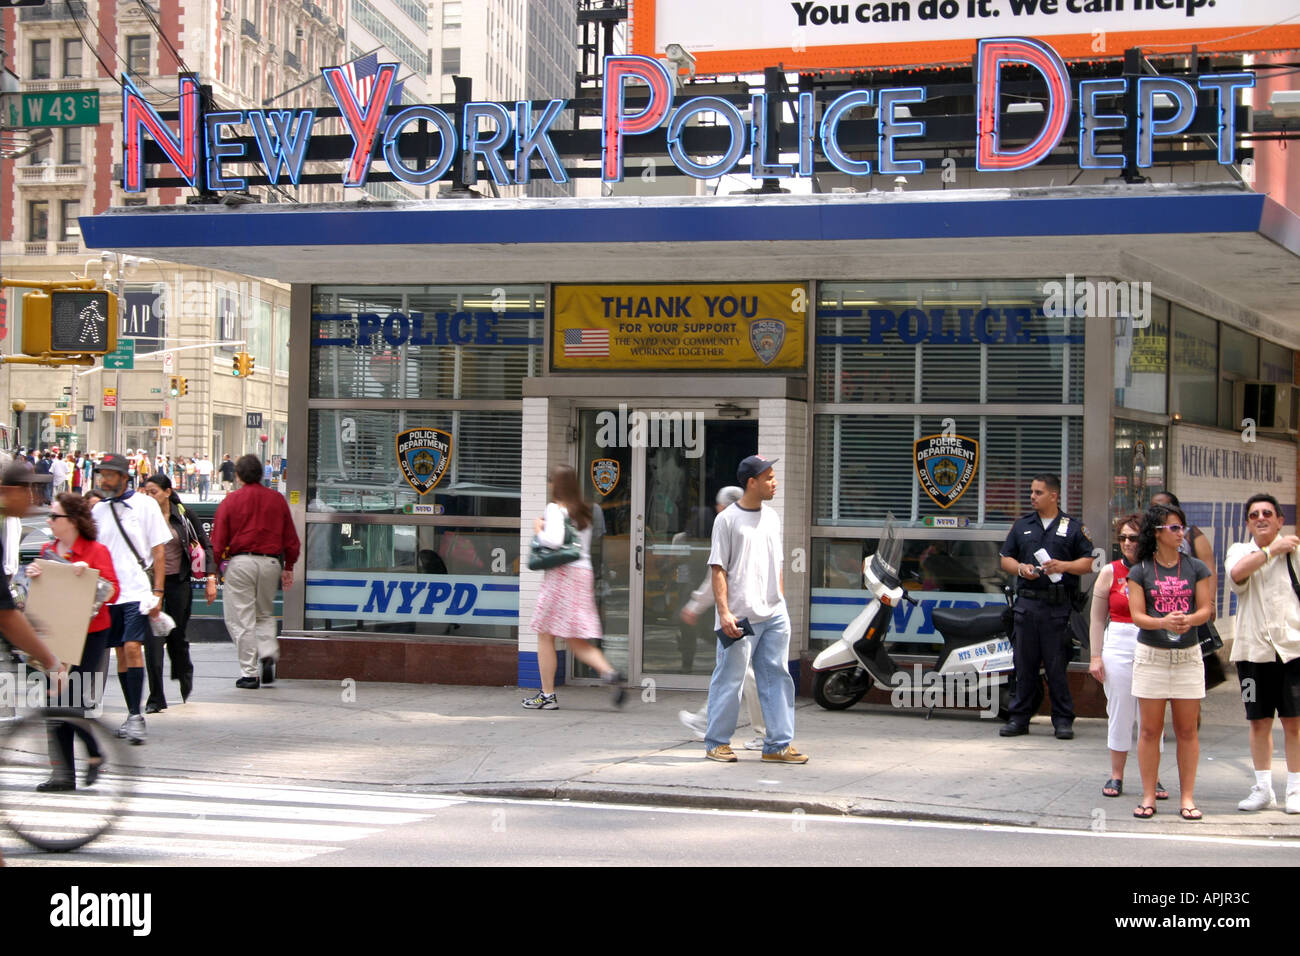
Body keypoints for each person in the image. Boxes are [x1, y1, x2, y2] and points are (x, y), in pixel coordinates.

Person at [703, 454, 806, 764]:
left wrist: (781, 603)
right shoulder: (727, 520)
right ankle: (717, 743)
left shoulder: (772, 518)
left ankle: (777, 745)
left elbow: (778, 565)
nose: (774, 483)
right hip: (740, 617)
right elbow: (717, 569)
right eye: (769, 477)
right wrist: (724, 613)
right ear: (752, 482)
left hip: (774, 614)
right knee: (730, 679)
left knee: (777, 677)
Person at [24, 493, 119, 791]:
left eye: (55, 516)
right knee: (55, 702)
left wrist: (89, 578)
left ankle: (93, 755)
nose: (50, 521)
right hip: (58, 634)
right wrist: (33, 575)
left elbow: (113, 591)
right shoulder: (48, 549)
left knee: (71, 700)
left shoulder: (95, 550)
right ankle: (64, 773)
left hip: (90, 634)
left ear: (73, 521)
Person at [1127, 503, 1213, 820]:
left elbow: (1205, 609)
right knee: (1150, 730)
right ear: (1157, 533)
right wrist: (1163, 622)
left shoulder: (1195, 567)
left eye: (1181, 527)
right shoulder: (1141, 570)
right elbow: (1137, 616)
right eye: (1174, 528)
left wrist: (1188, 619)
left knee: (1187, 730)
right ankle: (1149, 795)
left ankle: (1187, 798)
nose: (1181, 533)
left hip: (1188, 656)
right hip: (1151, 655)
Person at [998, 473, 1095, 739]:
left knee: (1056, 668)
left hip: (1057, 608)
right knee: (1024, 665)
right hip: (1027, 605)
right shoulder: (1022, 525)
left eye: (1038, 492)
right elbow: (1005, 558)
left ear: (1054, 495)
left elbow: (1089, 563)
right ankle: (1019, 718)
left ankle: (1062, 720)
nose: (1032, 496)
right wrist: (1020, 568)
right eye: (1031, 491)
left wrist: (1063, 566)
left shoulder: (1073, 527)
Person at [522, 464, 624, 710]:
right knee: (576, 638)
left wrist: (539, 530)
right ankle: (609, 673)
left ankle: (547, 695)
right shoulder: (586, 511)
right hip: (583, 573)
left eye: (549, 481)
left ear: (555, 484)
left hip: (562, 575)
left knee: (545, 634)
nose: (548, 486)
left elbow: (554, 541)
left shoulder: (556, 509)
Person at [1223, 493, 1300, 815]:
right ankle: (1263, 789)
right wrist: (1270, 551)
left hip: (1293, 650)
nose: (1261, 518)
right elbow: (1237, 575)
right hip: (1253, 652)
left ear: (1280, 520)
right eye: (1254, 515)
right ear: (1247, 523)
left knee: (1294, 722)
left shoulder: (1295, 553)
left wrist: (1282, 550)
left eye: (1267, 513)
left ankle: (1295, 789)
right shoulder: (1240, 551)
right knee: (1258, 722)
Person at [678, 486, 767, 749]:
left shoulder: (729, 527)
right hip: (755, 610)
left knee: (739, 672)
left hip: (739, 613)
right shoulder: (755, 523)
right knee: (738, 671)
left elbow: (716, 576)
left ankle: (758, 732)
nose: (716, 511)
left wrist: (694, 606)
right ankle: (711, 721)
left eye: (719, 506)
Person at [1088, 514, 1168, 801]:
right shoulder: (1110, 572)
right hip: (1119, 641)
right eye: (1121, 538)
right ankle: (1117, 774)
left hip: (1152, 642)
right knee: (1120, 710)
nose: (1127, 543)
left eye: (1133, 537)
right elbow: (1097, 619)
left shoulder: (1157, 570)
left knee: (1151, 716)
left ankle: (1153, 776)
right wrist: (1095, 656)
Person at [92, 453, 170, 744]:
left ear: (125, 477)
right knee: (122, 654)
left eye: (110, 475)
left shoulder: (145, 505)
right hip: (109, 594)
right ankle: (132, 711)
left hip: (137, 590)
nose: (104, 480)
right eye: (102, 474)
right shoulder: (98, 511)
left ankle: (137, 718)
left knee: (133, 646)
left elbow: (159, 551)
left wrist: (158, 591)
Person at [211, 454, 299, 689]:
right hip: (271, 563)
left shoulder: (231, 501)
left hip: (241, 563)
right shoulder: (276, 499)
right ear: (261, 474)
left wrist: (213, 568)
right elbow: (290, 537)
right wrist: (289, 566)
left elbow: (218, 540)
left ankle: (249, 673)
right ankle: (268, 651)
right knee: (263, 613)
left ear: (237, 475)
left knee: (241, 618)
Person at [141, 473, 217, 709]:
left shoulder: (183, 515)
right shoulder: (141, 517)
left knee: (176, 638)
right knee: (153, 641)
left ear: (167, 492)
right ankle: (156, 697)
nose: (149, 496)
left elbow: (205, 544)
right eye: (146, 492)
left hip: (177, 583)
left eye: (153, 491)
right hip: (150, 585)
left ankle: (184, 671)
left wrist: (211, 578)